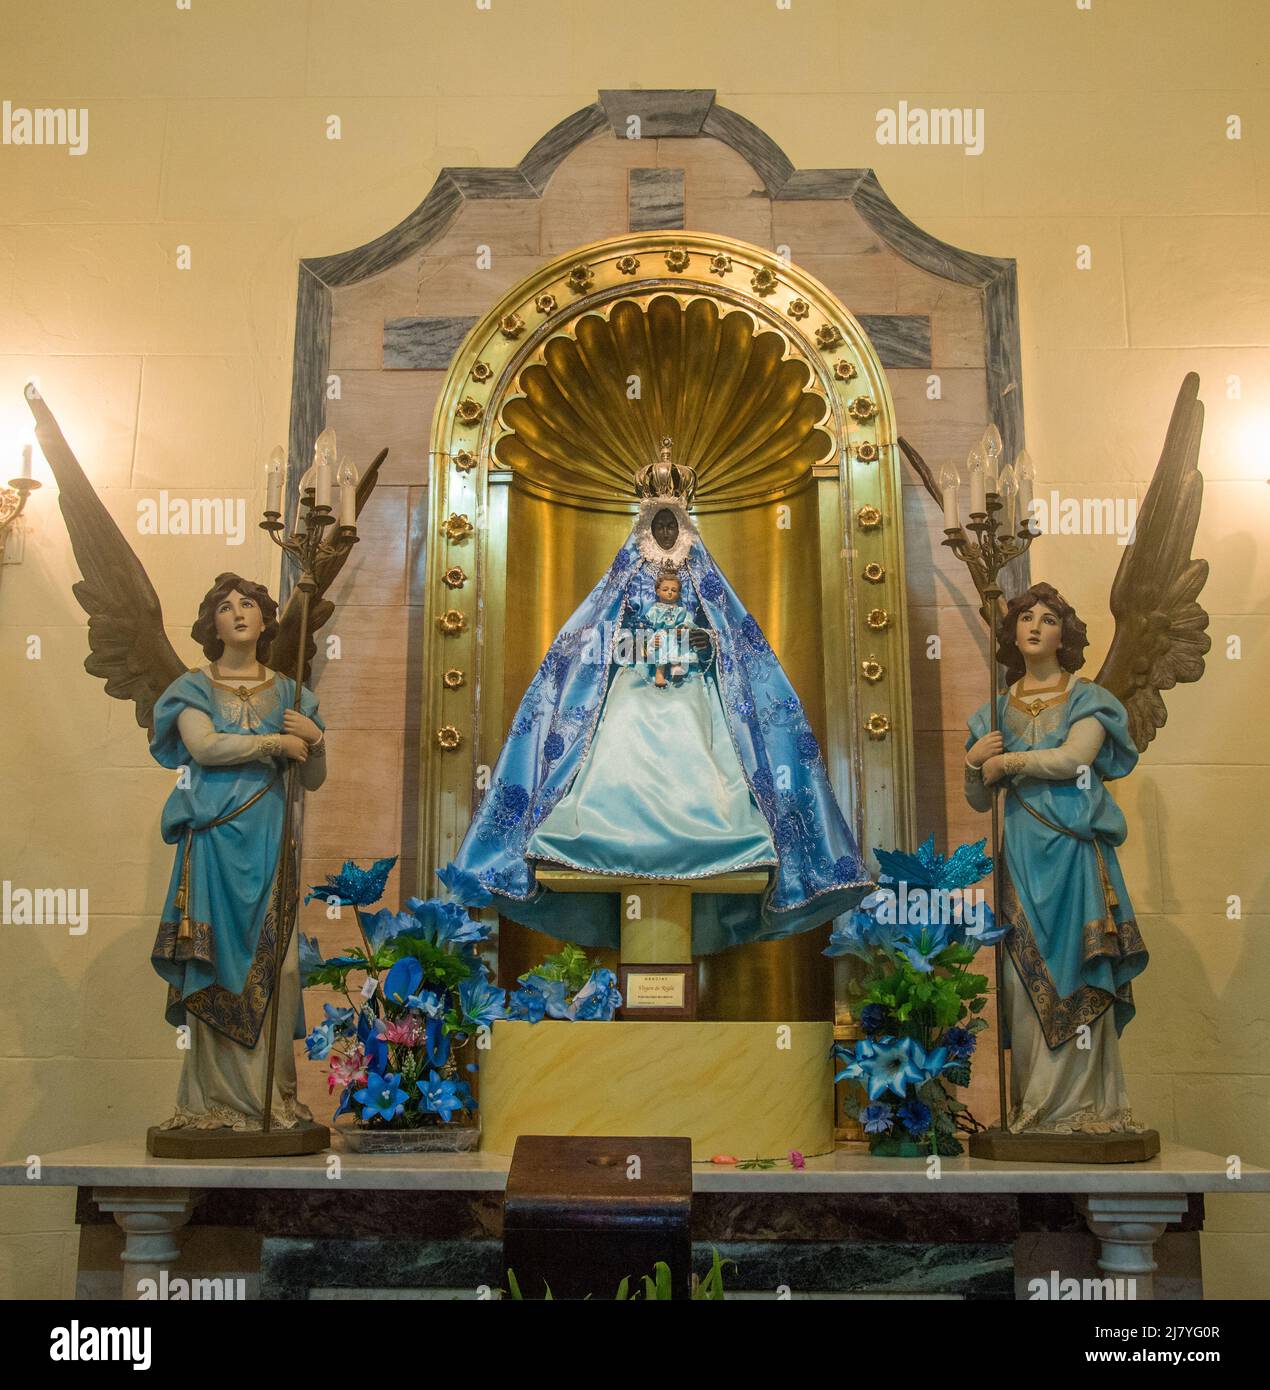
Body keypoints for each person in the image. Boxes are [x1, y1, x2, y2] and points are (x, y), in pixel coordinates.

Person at [452, 472, 870, 956]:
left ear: (684, 524)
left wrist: (705, 645)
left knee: (708, 752)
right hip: (634, 686)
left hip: (693, 688)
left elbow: (732, 641)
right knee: (618, 743)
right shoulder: (626, 578)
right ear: (648, 524)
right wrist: (634, 650)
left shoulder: (702, 578)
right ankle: (597, 831)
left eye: (673, 525)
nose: (667, 535)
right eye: (660, 525)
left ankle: (721, 833)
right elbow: (597, 633)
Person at [964, 582, 1148, 1134]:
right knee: (1024, 980)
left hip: (1072, 854)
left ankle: (1089, 1107)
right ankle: (1034, 1106)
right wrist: (975, 762)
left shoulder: (1087, 698)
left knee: (1079, 969)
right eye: (1025, 617)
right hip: (1022, 856)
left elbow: (1074, 758)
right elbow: (978, 799)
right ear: (1012, 632)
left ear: (1064, 633)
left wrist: (1007, 764)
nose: (1035, 625)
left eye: (1048, 618)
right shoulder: (993, 710)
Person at [148, 573, 328, 1131]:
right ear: (212, 624)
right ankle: (212, 1104)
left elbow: (314, 778)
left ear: (266, 617)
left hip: (270, 842)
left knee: (283, 967)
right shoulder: (192, 688)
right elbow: (204, 746)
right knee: (218, 964)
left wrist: (315, 740)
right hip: (215, 845)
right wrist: (276, 741)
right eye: (224, 607)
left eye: (248, 604)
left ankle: (275, 1098)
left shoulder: (293, 694)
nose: (239, 613)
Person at [642, 567, 692, 686]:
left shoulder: (681, 611)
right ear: (658, 591)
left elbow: (687, 621)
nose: (670, 592)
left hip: (675, 634)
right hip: (661, 633)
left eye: (674, 590)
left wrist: (684, 627)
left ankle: (675, 669)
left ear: (679, 594)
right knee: (661, 648)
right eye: (665, 589)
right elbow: (648, 623)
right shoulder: (655, 609)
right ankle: (659, 674)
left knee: (676, 648)